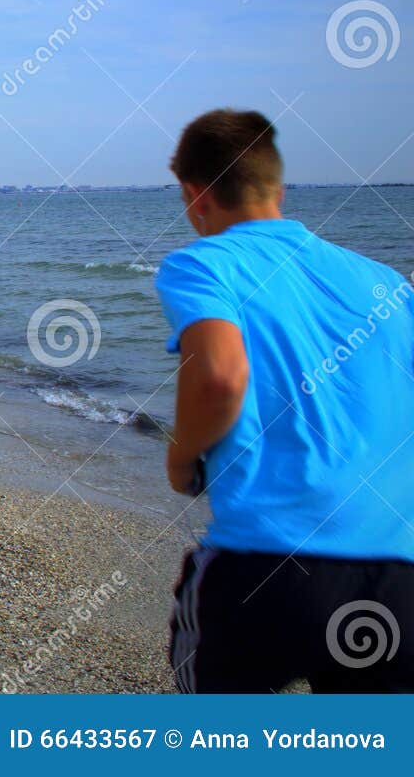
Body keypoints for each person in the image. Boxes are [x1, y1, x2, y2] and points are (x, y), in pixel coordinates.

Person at [155, 109, 414, 693]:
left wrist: (180, 458)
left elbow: (220, 377)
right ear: (279, 189)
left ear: (196, 197)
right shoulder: (387, 284)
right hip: (395, 573)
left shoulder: (203, 263)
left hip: (264, 566)